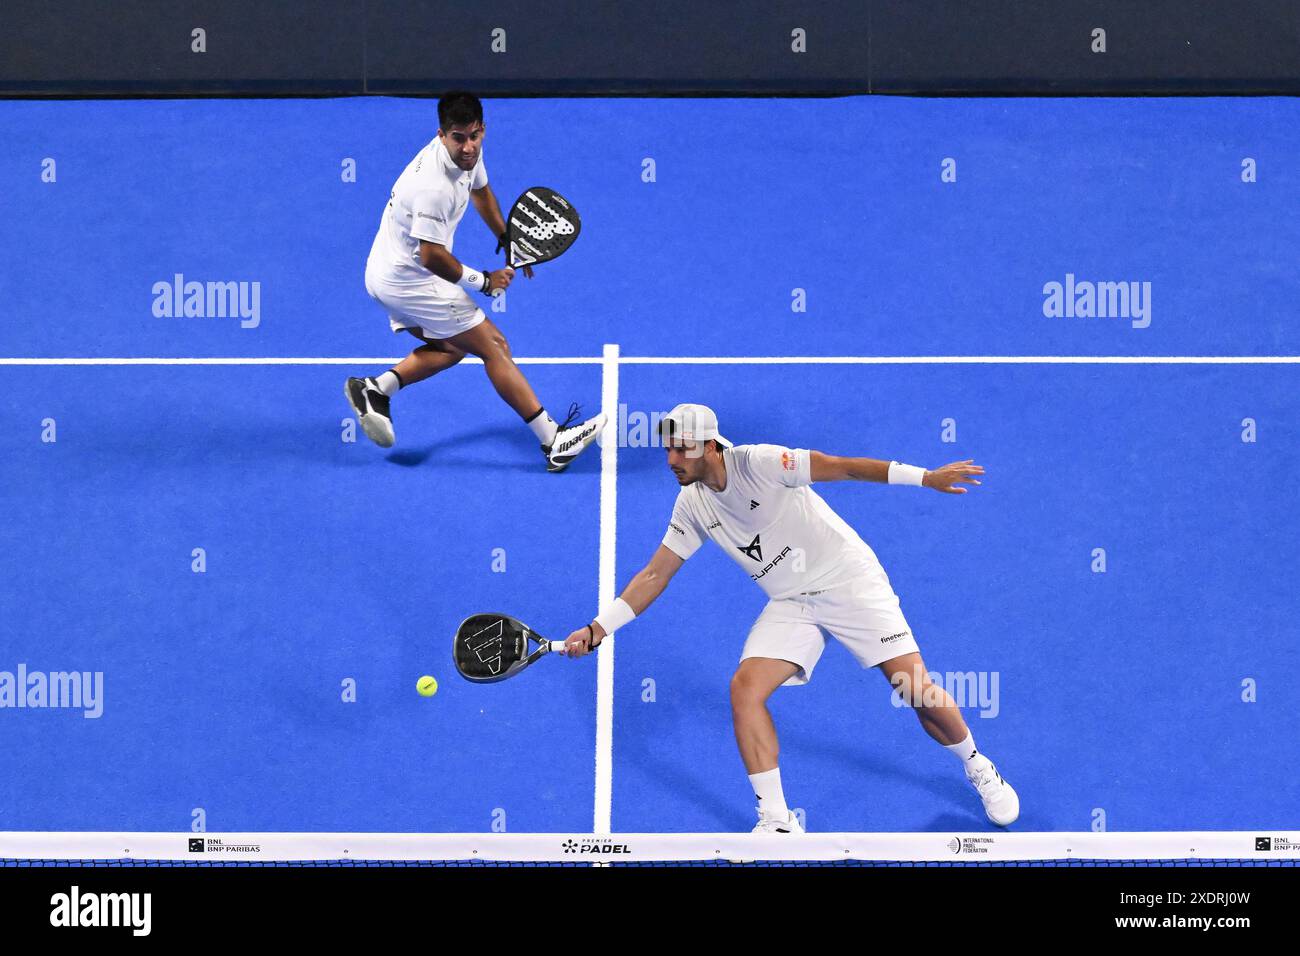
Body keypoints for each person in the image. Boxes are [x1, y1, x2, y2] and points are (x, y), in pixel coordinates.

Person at [562, 403, 1019, 832]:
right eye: (668, 448)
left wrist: (927, 478)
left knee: (912, 688)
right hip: (792, 600)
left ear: (710, 446)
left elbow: (841, 466)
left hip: (848, 579)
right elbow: (655, 574)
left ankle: (977, 764)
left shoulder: (761, 463)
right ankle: (778, 821)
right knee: (745, 689)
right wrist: (598, 629)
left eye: (682, 448)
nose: (670, 460)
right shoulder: (693, 504)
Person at [345, 90, 603, 472]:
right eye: (458, 138)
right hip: (409, 279)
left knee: (451, 348)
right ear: (440, 134)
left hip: (387, 271)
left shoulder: (470, 156)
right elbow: (431, 256)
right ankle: (553, 441)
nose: (468, 147)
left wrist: (508, 238)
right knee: (494, 345)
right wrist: (485, 281)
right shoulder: (432, 188)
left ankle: (377, 388)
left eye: (474, 136)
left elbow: (482, 193)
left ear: (482, 130)